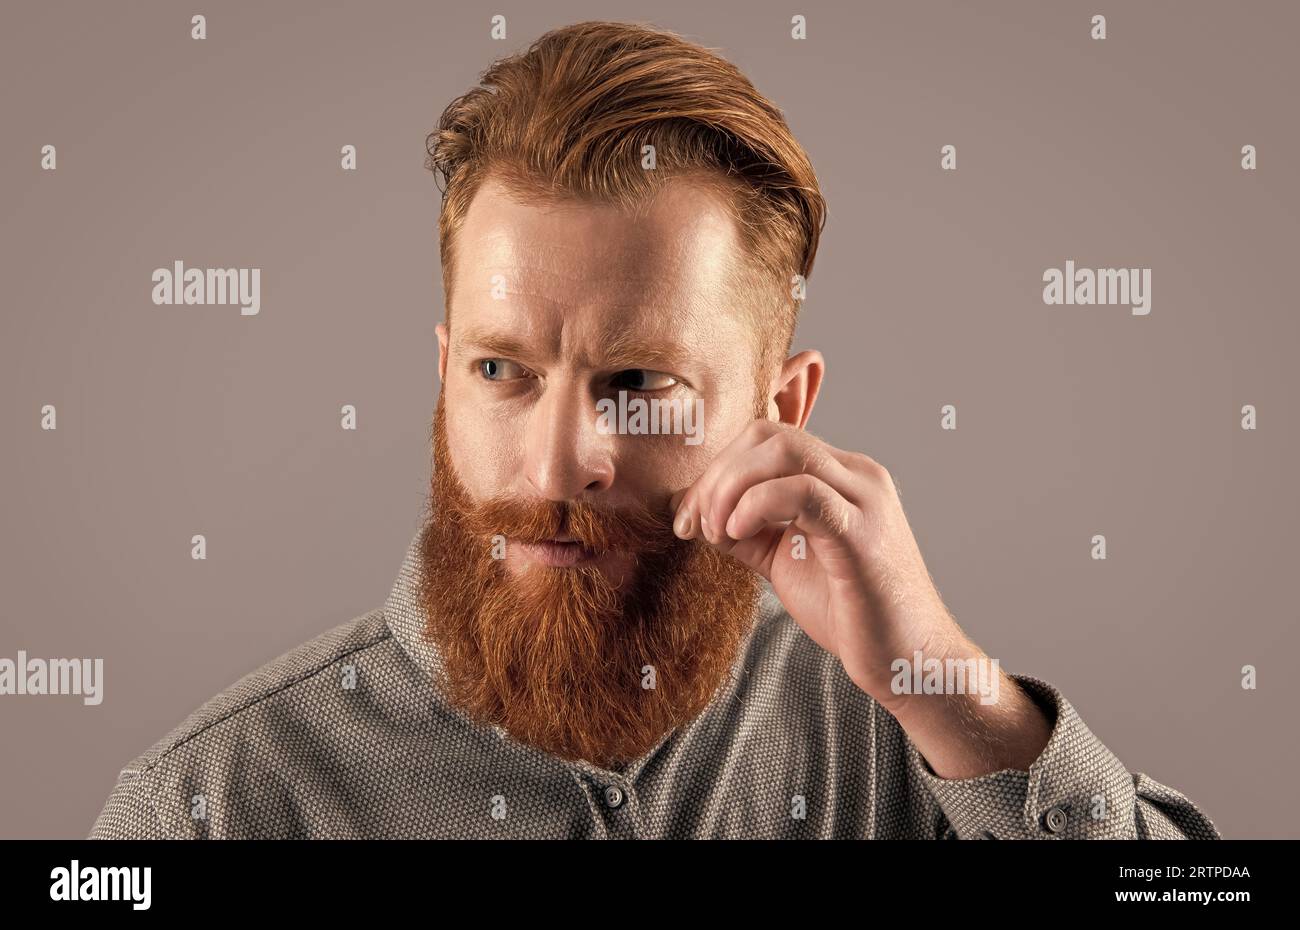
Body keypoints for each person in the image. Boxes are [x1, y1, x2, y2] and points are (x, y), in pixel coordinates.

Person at [90, 20, 1219, 840]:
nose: (557, 461)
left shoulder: (914, 751)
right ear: (443, 376)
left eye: (638, 383)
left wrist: (949, 691)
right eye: (502, 371)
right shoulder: (208, 811)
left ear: (781, 412)